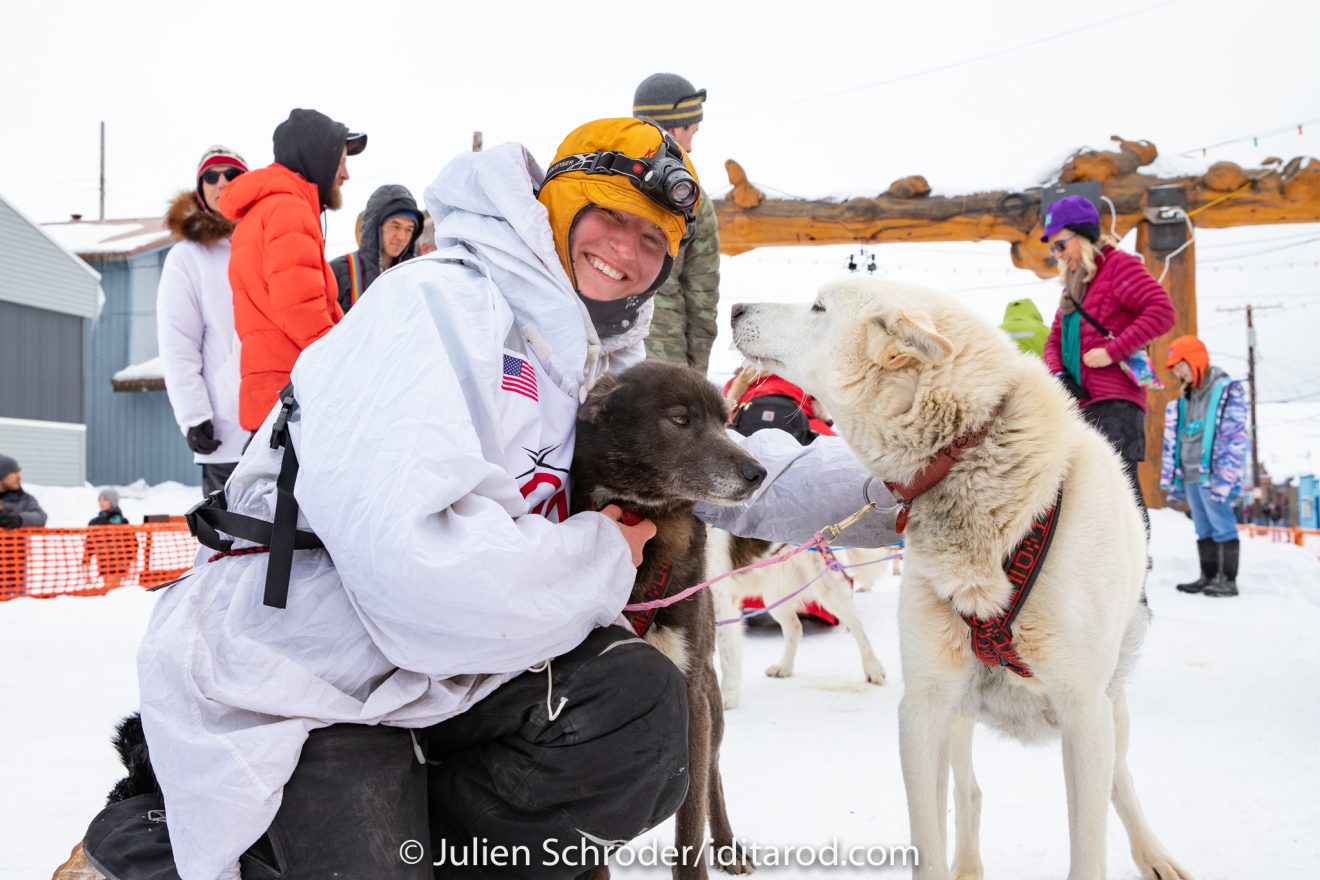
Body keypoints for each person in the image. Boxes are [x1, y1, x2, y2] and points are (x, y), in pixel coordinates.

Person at [133, 117, 898, 880]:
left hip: (449, 679)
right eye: (610, 218)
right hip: (311, 675)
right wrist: (599, 551)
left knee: (639, 708)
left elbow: (729, 476)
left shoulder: (585, 351)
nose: (628, 252)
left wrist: (898, 483)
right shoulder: (436, 308)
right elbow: (413, 575)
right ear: (554, 207)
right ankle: (148, 836)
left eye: (655, 240)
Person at [218, 108, 366, 432]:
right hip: (294, 401)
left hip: (276, 397)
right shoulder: (288, 210)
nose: (345, 175)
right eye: (341, 162)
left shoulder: (265, 209)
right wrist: (349, 370)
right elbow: (301, 312)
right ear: (319, 159)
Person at [1042, 195, 1176, 520]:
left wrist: (1112, 352)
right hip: (1081, 403)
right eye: (1053, 249)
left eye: (1061, 245)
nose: (1058, 255)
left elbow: (1162, 312)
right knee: (1090, 494)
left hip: (1116, 401)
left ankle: (1136, 567)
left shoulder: (1119, 267)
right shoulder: (1072, 288)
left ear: (1083, 235)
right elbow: (1054, 340)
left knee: (1122, 492)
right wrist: (1059, 376)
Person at [157, 146, 250, 495]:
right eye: (211, 175)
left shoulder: (265, 243)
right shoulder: (187, 257)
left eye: (232, 174)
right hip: (224, 431)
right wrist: (194, 415)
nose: (222, 181)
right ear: (201, 188)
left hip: (277, 426)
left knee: (284, 544)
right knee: (229, 544)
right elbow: (178, 343)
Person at [632, 72, 720, 372]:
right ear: (674, 128)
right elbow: (701, 297)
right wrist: (695, 374)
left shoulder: (588, 174)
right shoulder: (693, 200)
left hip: (584, 347)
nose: (691, 148)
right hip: (662, 358)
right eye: (692, 132)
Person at [1160, 335, 1249, 597]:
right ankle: (1208, 576)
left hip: (1212, 472)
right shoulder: (1187, 396)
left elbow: (1233, 434)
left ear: (1195, 359)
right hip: (1188, 471)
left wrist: (1226, 471)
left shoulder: (1225, 389)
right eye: (1175, 368)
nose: (1178, 372)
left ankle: (1227, 580)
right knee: (1202, 525)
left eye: (1181, 364)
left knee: (1221, 522)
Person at [330, 184, 423, 312]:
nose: (401, 236)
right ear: (375, 225)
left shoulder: (416, 277)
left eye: (409, 229)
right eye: (395, 226)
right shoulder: (339, 272)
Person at [0, 455, 47, 599]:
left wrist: (19, 520)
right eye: (13, 472)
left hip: (16, 567)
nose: (19, 476)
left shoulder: (25, 499)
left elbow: (40, 516)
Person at [82, 487, 135, 592]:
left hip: (119, 563)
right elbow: (89, 545)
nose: (101, 502)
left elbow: (132, 544)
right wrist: (85, 563)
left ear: (113, 501)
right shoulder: (94, 523)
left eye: (105, 499)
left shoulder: (123, 522)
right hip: (103, 563)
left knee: (113, 591)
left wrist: (132, 562)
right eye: (100, 499)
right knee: (109, 592)